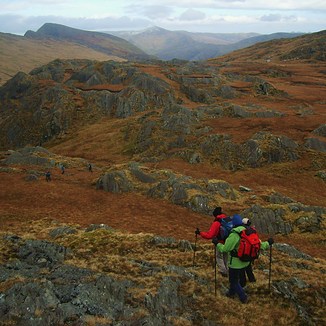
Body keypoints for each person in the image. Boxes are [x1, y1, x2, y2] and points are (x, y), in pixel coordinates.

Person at [213, 214, 274, 304]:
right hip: (246, 262)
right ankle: (231, 293)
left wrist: (217, 243)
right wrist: (268, 243)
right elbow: (259, 244)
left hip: (235, 263)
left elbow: (225, 249)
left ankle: (243, 297)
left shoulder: (234, 234)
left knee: (233, 281)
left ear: (233, 224)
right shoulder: (248, 232)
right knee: (235, 279)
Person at [195, 206, 229, 277]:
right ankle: (228, 271)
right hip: (228, 241)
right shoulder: (227, 220)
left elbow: (210, 235)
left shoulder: (217, 222)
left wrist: (200, 233)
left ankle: (224, 272)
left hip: (220, 242)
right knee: (226, 256)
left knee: (219, 257)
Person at [240, 218, 256, 287]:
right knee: (249, 267)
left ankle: (243, 283)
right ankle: (252, 279)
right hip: (251, 253)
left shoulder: (242, 231)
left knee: (242, 269)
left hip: (244, 252)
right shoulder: (253, 231)